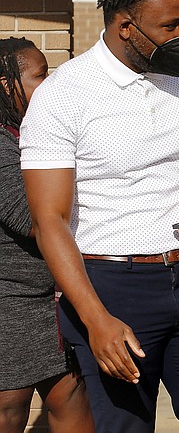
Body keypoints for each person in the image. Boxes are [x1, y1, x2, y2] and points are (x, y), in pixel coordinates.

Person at [19, 0, 179, 432]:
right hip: (112, 288)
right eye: (170, 25)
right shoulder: (63, 95)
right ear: (126, 27)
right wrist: (95, 319)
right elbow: (48, 221)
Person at [0, 38, 93, 433]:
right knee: (9, 409)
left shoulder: (35, 133)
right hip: (10, 306)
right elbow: (34, 219)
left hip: (55, 302)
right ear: (7, 85)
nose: (50, 83)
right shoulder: (3, 143)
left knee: (73, 402)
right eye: (41, 76)